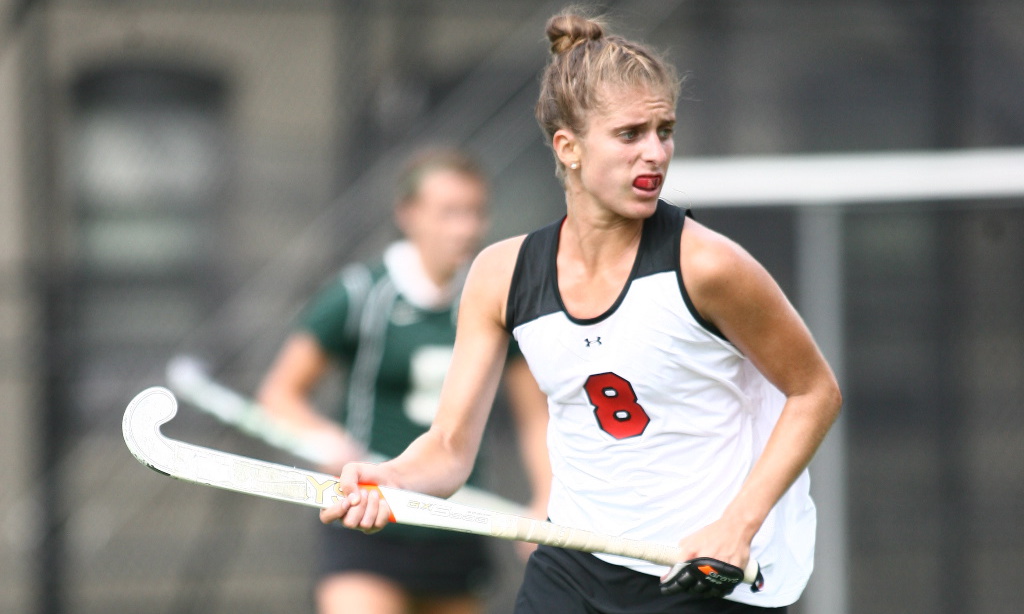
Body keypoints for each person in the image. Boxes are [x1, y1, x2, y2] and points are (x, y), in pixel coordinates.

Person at [322, 9, 842, 614]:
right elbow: (448, 448)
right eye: (630, 134)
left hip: (696, 572)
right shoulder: (503, 274)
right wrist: (394, 478)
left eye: (664, 130)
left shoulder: (708, 267)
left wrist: (737, 526)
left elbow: (815, 392)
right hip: (574, 564)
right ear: (568, 147)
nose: (655, 153)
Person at [258, 147, 550, 614]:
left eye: (475, 212)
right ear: (408, 215)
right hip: (368, 520)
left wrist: (545, 496)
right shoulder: (360, 294)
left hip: (454, 521)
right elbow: (280, 393)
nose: (466, 228)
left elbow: (536, 419)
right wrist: (324, 439)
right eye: (449, 213)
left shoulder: (494, 302)